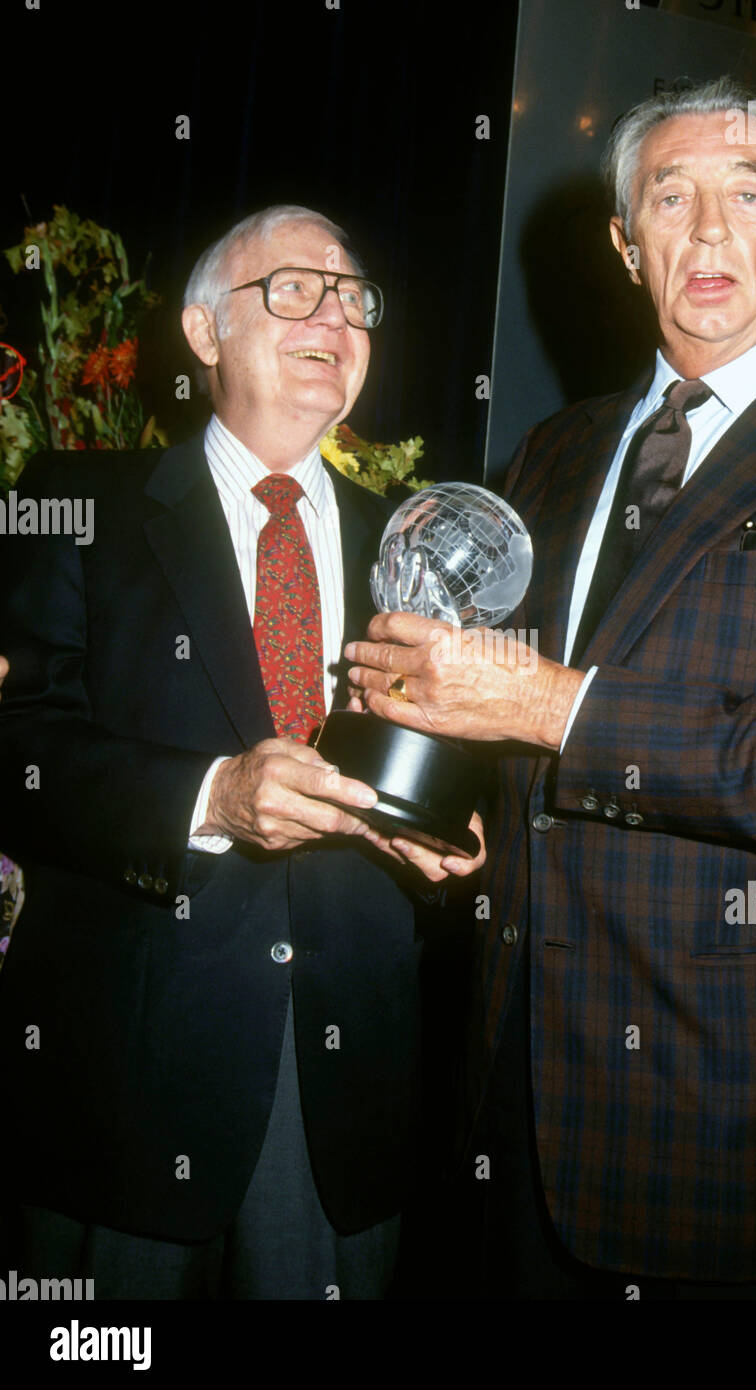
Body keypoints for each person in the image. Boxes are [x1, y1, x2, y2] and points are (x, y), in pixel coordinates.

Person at [345, 79, 756, 1296]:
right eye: (669, 197)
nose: (709, 229)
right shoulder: (552, 450)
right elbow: (498, 730)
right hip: (507, 1097)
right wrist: (450, 822)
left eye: (751, 192)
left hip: (732, 1125)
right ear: (627, 246)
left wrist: (547, 705)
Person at [0, 204, 483, 1300]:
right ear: (204, 330)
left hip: (348, 1099)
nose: (334, 313)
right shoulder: (75, 503)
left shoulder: (423, 537)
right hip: (125, 1090)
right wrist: (211, 797)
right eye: (296, 288)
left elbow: (457, 764)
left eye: (353, 294)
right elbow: (15, 748)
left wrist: (460, 845)